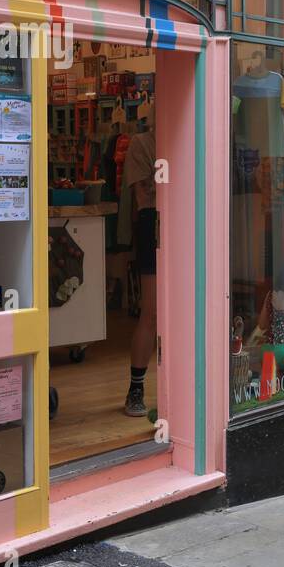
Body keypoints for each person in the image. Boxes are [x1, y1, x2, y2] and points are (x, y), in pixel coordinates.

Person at [123, 125, 158, 417]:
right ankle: (136, 387)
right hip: (153, 225)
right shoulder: (141, 143)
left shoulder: (193, 140)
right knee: (152, 310)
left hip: (187, 222)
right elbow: (143, 194)